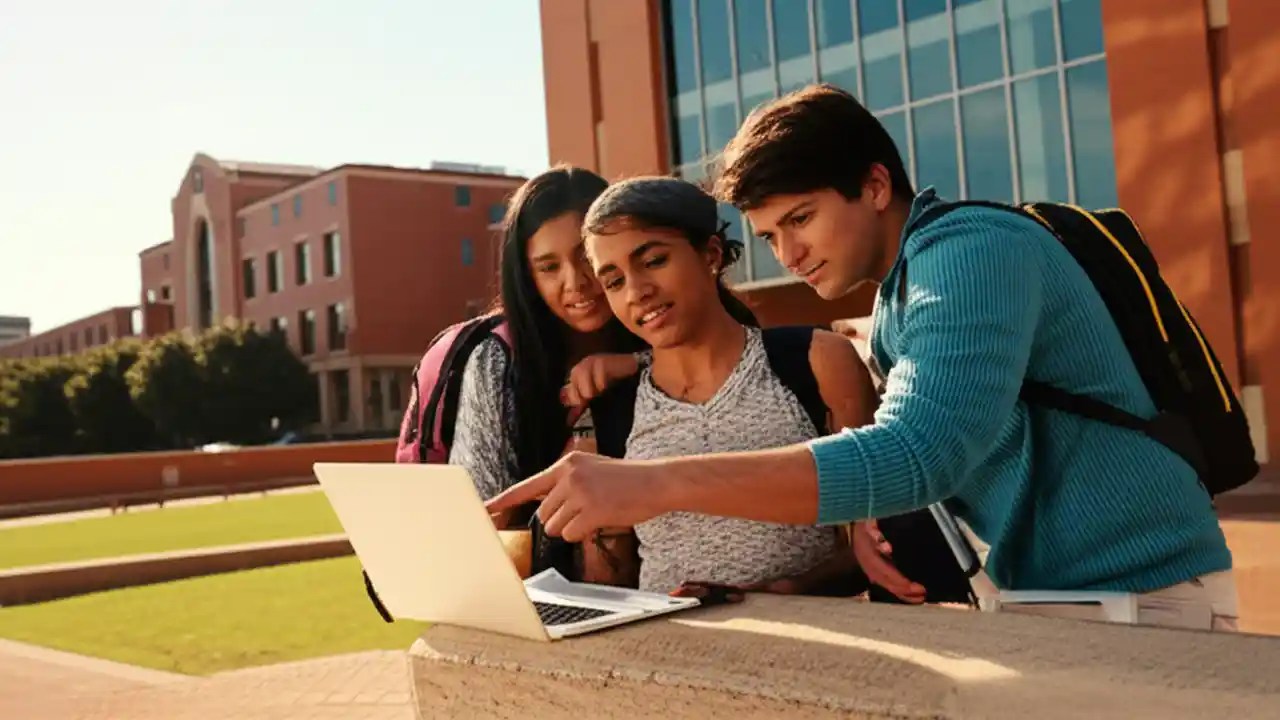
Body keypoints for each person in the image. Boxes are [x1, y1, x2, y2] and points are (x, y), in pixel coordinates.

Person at [488, 85, 1239, 630]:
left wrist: (656, 484)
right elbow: (957, 443)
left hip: (1141, 599)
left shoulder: (970, 253)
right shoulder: (896, 300)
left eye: (801, 218)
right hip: (1043, 600)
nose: (789, 253)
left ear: (876, 185)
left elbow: (920, 451)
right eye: (771, 234)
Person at [579, 176, 872, 595]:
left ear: (711, 254)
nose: (636, 292)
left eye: (654, 261)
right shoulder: (612, 408)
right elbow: (611, 580)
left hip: (807, 631)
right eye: (614, 282)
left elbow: (880, 535)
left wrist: (786, 591)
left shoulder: (817, 361)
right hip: (667, 636)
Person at [447, 165, 645, 584]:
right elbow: (481, 514)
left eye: (585, 256)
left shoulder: (661, 328)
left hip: (665, 590)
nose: (576, 282)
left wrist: (639, 364)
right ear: (527, 277)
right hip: (539, 594)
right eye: (549, 267)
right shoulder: (498, 362)